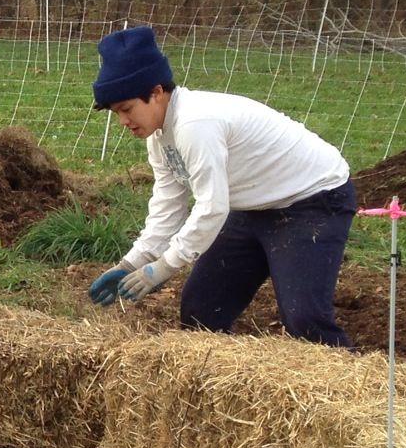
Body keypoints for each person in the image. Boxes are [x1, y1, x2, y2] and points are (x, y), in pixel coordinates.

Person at [86, 25, 355, 347]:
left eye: (127, 109)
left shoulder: (195, 124)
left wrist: (164, 267)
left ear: (156, 92)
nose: (123, 122)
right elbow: (168, 204)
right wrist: (133, 262)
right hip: (250, 205)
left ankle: (360, 388)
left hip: (311, 200)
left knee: (304, 319)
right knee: (201, 311)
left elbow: (211, 206)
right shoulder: (159, 136)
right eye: (116, 113)